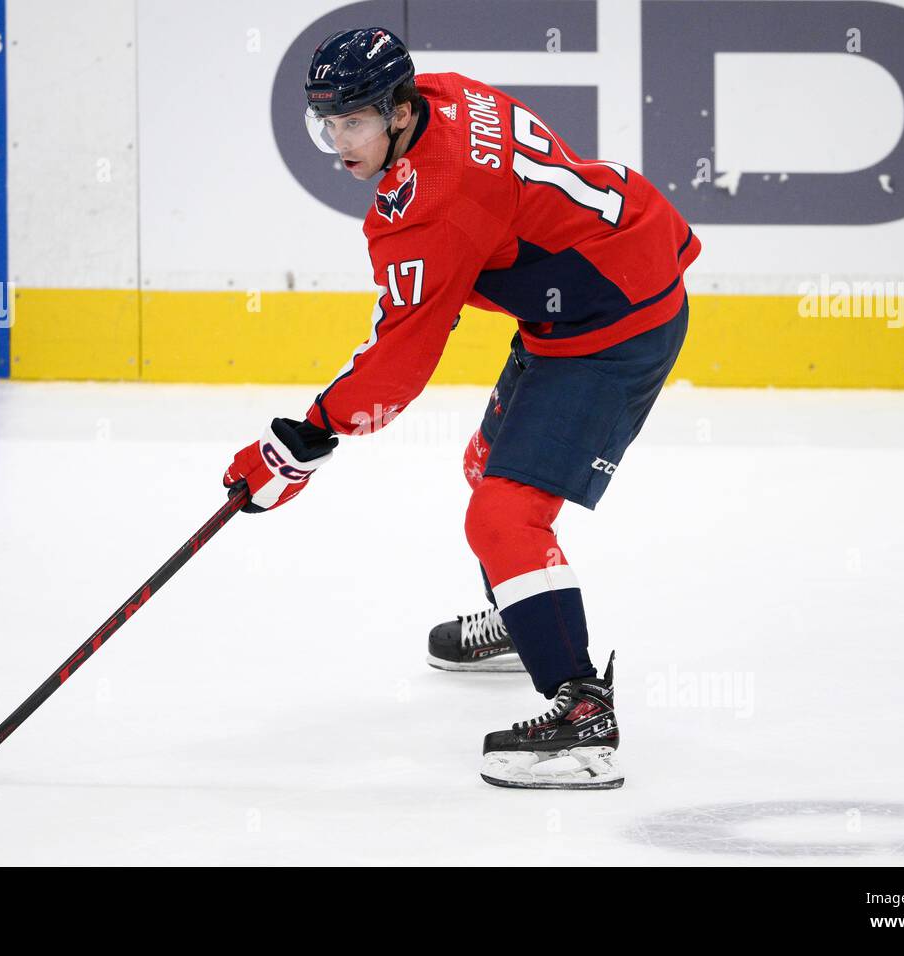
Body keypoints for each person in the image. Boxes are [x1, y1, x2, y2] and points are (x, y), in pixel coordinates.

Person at [224, 27, 700, 789]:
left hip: (616, 321)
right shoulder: (439, 95)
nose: (339, 141)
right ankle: (526, 623)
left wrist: (299, 443)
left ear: (400, 112)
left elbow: (398, 370)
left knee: (503, 517)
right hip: (592, 285)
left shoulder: (434, 206)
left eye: (355, 122)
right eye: (328, 122)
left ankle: (583, 715)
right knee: (484, 465)